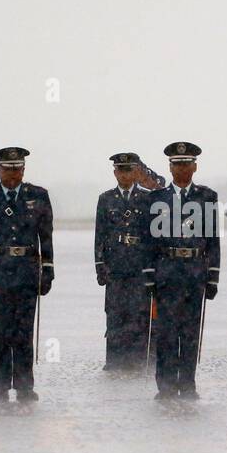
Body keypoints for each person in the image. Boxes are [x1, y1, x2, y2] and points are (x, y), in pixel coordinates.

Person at [0, 146, 54, 402]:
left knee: (24, 331)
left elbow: (46, 238)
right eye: (7, 168)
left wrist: (47, 270)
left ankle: (25, 385)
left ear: (24, 169)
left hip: (27, 270)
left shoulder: (38, 196)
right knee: (0, 332)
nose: (13, 173)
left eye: (17, 168)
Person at [145, 142, 220, 399]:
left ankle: (187, 383)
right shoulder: (156, 199)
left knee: (189, 333)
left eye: (186, 164)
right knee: (166, 333)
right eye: (177, 164)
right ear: (170, 167)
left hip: (195, 272)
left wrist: (213, 276)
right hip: (166, 272)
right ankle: (165, 385)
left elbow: (213, 240)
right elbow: (148, 243)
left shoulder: (207, 197)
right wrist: (148, 276)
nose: (182, 169)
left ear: (195, 166)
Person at [94, 152, 153, 371]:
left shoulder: (148, 198)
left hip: (139, 265)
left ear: (136, 171)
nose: (124, 174)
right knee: (115, 313)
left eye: (129, 169)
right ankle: (115, 361)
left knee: (139, 313)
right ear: (115, 172)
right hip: (115, 265)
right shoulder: (106, 199)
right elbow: (100, 235)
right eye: (121, 170)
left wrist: (151, 268)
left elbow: (152, 237)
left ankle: (137, 360)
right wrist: (100, 265)